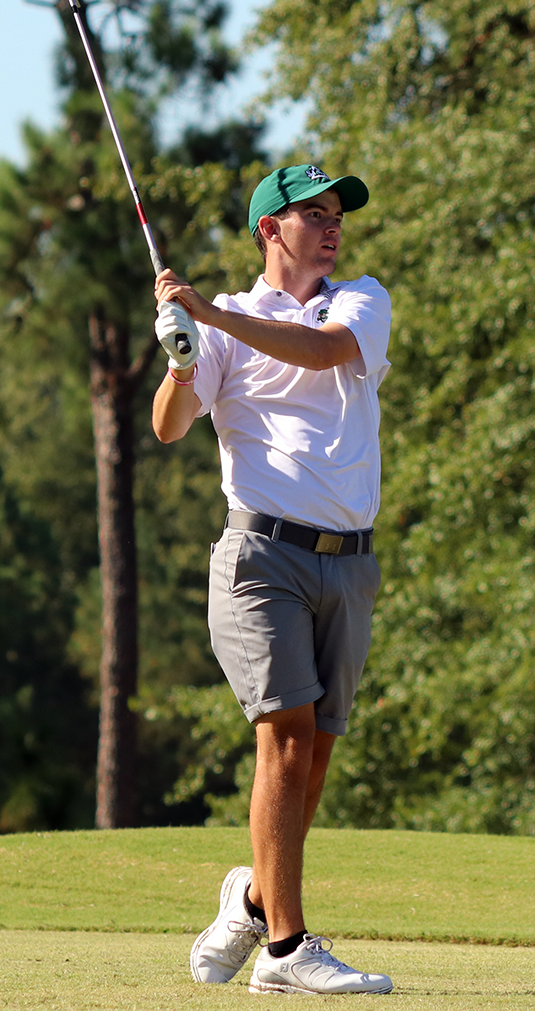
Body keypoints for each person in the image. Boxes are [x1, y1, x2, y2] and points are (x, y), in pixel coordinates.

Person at [151, 164, 394, 996]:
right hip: (262, 559)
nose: (332, 227)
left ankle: (253, 899)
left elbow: (323, 353)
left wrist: (210, 316)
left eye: (337, 215)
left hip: (350, 563)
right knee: (285, 738)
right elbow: (168, 427)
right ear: (269, 229)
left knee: (315, 752)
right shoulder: (220, 326)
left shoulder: (359, 301)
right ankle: (287, 951)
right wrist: (183, 361)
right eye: (313, 214)